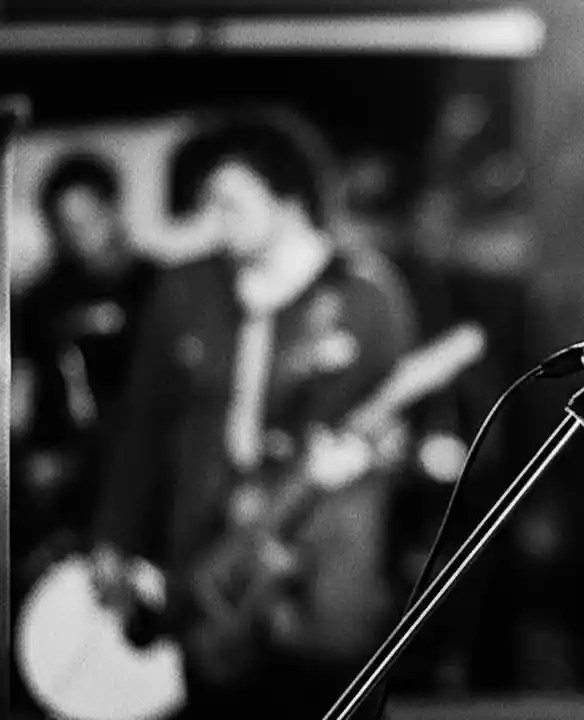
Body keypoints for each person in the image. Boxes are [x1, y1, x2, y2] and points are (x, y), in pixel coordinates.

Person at [87, 108, 417, 720]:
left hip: (317, 577)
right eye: (207, 203)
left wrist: (370, 455)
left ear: (288, 198)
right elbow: (142, 427)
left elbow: (405, 430)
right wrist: (114, 538)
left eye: (230, 202)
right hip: (205, 566)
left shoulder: (365, 294)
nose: (213, 221)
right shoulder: (183, 292)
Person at [11, 152, 159, 553]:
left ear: (112, 209)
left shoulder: (156, 286)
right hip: (66, 467)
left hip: (137, 455)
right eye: (66, 224)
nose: (80, 234)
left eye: (88, 218)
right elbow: (28, 388)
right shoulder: (42, 299)